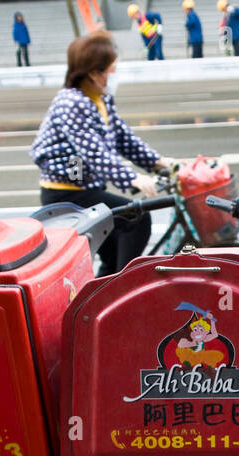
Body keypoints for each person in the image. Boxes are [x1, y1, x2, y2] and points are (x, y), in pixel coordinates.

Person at [30, 32, 178, 276]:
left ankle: (107, 292)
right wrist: (132, 178)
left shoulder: (100, 98)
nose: (114, 75)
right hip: (66, 194)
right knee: (136, 218)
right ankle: (121, 287)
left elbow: (124, 139)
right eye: (111, 70)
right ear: (93, 73)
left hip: (87, 189)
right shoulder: (71, 103)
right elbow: (93, 152)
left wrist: (158, 163)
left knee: (111, 257)